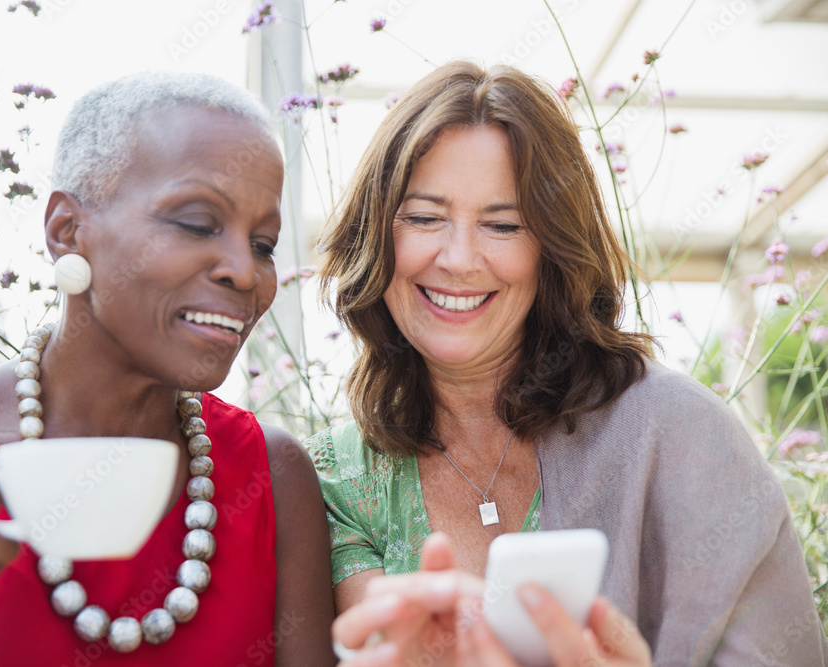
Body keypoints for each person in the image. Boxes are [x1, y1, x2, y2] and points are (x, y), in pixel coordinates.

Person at [308, 60, 827, 665]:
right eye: (424, 217)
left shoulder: (680, 434)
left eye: (503, 225)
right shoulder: (341, 477)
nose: (458, 258)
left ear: (553, 249)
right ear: (374, 234)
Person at [0, 72, 336, 666]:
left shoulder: (273, 477)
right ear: (68, 232)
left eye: (263, 244)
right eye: (198, 224)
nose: (245, 272)